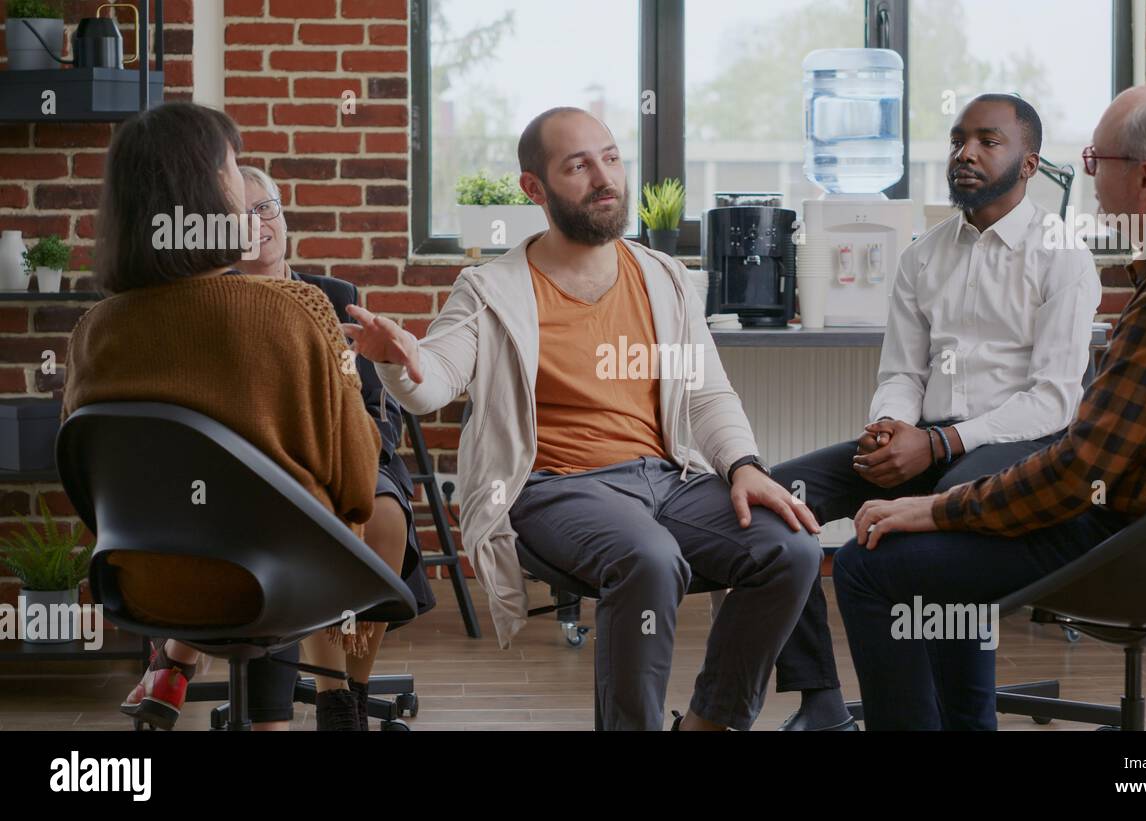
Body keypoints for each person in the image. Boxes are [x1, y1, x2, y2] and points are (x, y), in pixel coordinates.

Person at [837, 82, 1146, 729]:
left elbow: (1078, 474)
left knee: (866, 565)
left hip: (1134, 547)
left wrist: (939, 510)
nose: (1087, 177)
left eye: (1095, 162)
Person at [344, 106, 823, 730]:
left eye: (611, 157)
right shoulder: (491, 289)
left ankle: (710, 723)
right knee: (648, 559)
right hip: (555, 487)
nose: (604, 178)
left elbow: (706, 395)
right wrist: (399, 360)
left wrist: (744, 464)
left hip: (667, 479)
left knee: (790, 547)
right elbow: (435, 381)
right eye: (579, 165)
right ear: (534, 189)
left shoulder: (665, 278)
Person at [770, 94, 1101, 730]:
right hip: (928, 440)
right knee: (780, 499)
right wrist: (891, 425)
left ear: (1029, 164)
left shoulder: (1062, 254)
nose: (966, 153)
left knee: (951, 491)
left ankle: (960, 720)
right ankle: (820, 700)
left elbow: (1054, 400)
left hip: (1015, 448)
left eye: (987, 140)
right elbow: (902, 372)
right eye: (957, 140)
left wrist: (942, 444)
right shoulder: (925, 254)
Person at [61, 101, 382, 731]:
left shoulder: (90, 334)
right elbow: (358, 484)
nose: (244, 185)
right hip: (282, 585)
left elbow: (91, 491)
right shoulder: (298, 311)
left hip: (145, 588)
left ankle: (178, 669)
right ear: (206, 192)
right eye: (233, 166)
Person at [234, 164, 435, 729]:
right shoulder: (216, 302)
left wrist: (358, 450)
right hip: (265, 467)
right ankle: (330, 694)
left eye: (265, 208)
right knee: (323, 522)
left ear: (283, 214)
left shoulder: (334, 296)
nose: (256, 224)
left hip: (348, 449)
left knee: (384, 515)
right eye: (238, 215)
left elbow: (373, 402)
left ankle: (349, 691)